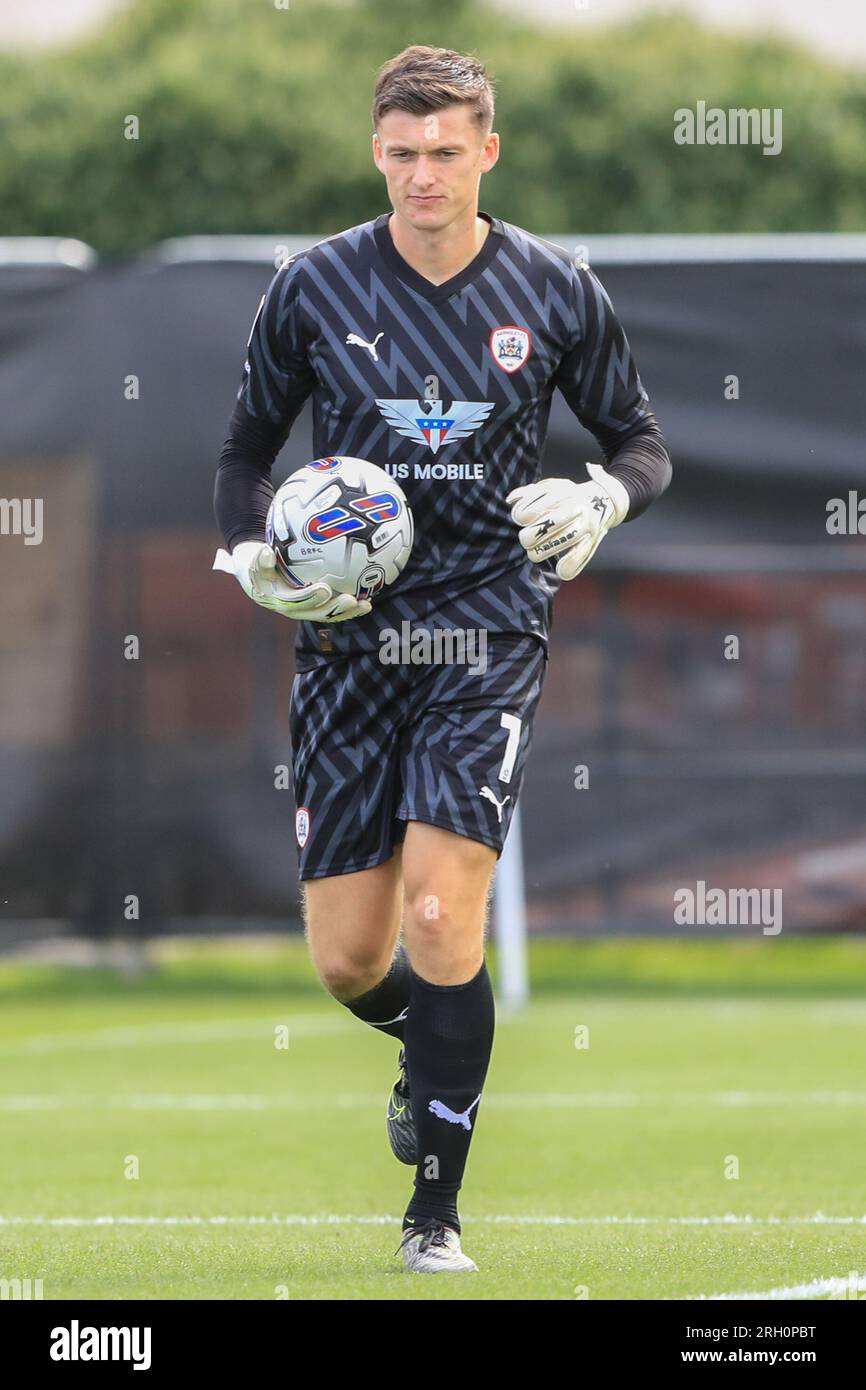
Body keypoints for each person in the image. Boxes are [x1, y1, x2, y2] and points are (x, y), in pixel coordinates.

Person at [214, 44, 672, 1273]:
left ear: (487, 150)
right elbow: (241, 456)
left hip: (485, 630)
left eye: (447, 152)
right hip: (347, 646)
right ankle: (433, 1049)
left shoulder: (553, 288)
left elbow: (638, 440)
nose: (425, 174)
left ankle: (433, 1213)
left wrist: (601, 502)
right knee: (350, 958)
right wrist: (249, 551)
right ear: (378, 151)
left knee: (438, 915)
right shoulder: (310, 287)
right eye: (403, 154)